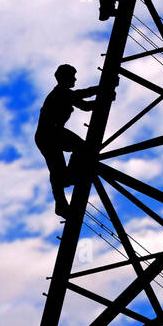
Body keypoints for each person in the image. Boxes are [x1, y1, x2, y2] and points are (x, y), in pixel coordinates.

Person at [35, 64, 111, 219]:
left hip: (50, 134)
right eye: (72, 76)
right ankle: (65, 192)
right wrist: (104, 93)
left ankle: (66, 187)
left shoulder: (64, 93)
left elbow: (82, 99)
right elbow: (84, 102)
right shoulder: (61, 93)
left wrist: (102, 92)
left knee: (60, 170)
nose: (75, 79)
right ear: (65, 78)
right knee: (79, 151)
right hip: (49, 134)